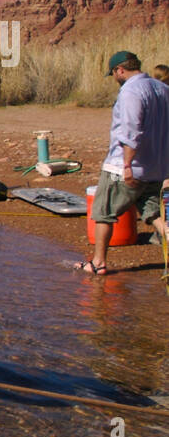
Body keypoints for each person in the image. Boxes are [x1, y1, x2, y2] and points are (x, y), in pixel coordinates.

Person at [74, 50, 169, 274]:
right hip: (156, 167)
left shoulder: (131, 91)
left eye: (114, 73)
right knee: (153, 213)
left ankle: (98, 263)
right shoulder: (163, 89)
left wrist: (127, 165)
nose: (115, 78)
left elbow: (131, 130)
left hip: (125, 167)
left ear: (120, 70)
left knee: (102, 213)